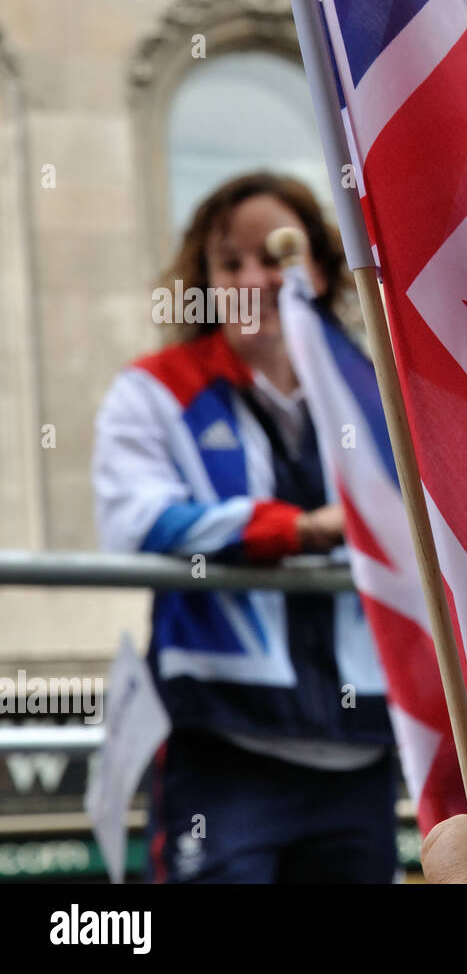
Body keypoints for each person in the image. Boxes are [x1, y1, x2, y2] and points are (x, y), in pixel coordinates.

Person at [92, 172, 397, 882]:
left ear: (321, 271)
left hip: (364, 750)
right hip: (224, 741)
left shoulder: (379, 399)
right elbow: (140, 522)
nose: (255, 278)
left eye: (278, 255)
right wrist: (301, 530)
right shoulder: (153, 389)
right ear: (202, 280)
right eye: (230, 262)